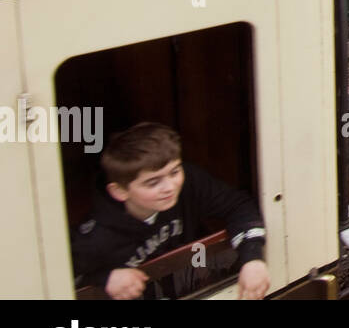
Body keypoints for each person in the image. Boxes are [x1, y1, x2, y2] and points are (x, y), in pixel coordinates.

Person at [71, 123, 270, 300]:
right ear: (120, 191)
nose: (169, 187)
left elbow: (237, 205)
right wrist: (105, 278)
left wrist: (252, 259)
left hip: (191, 285)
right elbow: (58, 278)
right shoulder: (95, 236)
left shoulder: (189, 182)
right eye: (153, 182)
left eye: (175, 171)